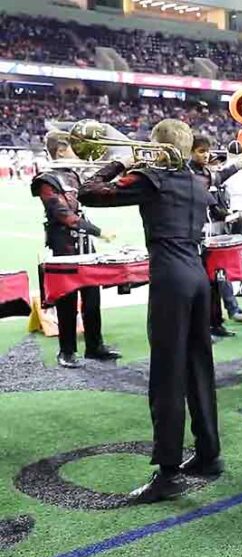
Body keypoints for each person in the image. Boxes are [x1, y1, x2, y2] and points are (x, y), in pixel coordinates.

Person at [79, 119, 221, 503]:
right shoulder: (197, 180)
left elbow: (88, 192)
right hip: (196, 273)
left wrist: (121, 161)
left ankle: (169, 473)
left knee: (166, 374)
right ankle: (208, 453)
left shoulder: (151, 178)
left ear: (156, 147)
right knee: (198, 365)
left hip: (171, 277)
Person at [32, 131, 121, 369]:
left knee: (92, 297)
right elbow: (62, 214)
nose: (78, 152)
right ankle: (67, 351)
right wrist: (98, 231)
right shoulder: (45, 181)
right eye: (74, 147)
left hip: (84, 245)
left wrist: (119, 166)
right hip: (64, 245)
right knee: (67, 300)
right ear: (61, 150)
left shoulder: (72, 175)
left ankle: (94, 346)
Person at [190, 133, 242, 337]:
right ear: (190, 152)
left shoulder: (202, 172)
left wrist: (229, 216)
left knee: (216, 279)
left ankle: (216, 323)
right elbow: (210, 182)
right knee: (204, 283)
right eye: (201, 151)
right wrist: (234, 167)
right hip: (192, 237)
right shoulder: (189, 173)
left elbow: (213, 186)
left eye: (207, 151)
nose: (206, 156)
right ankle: (205, 324)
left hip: (208, 235)